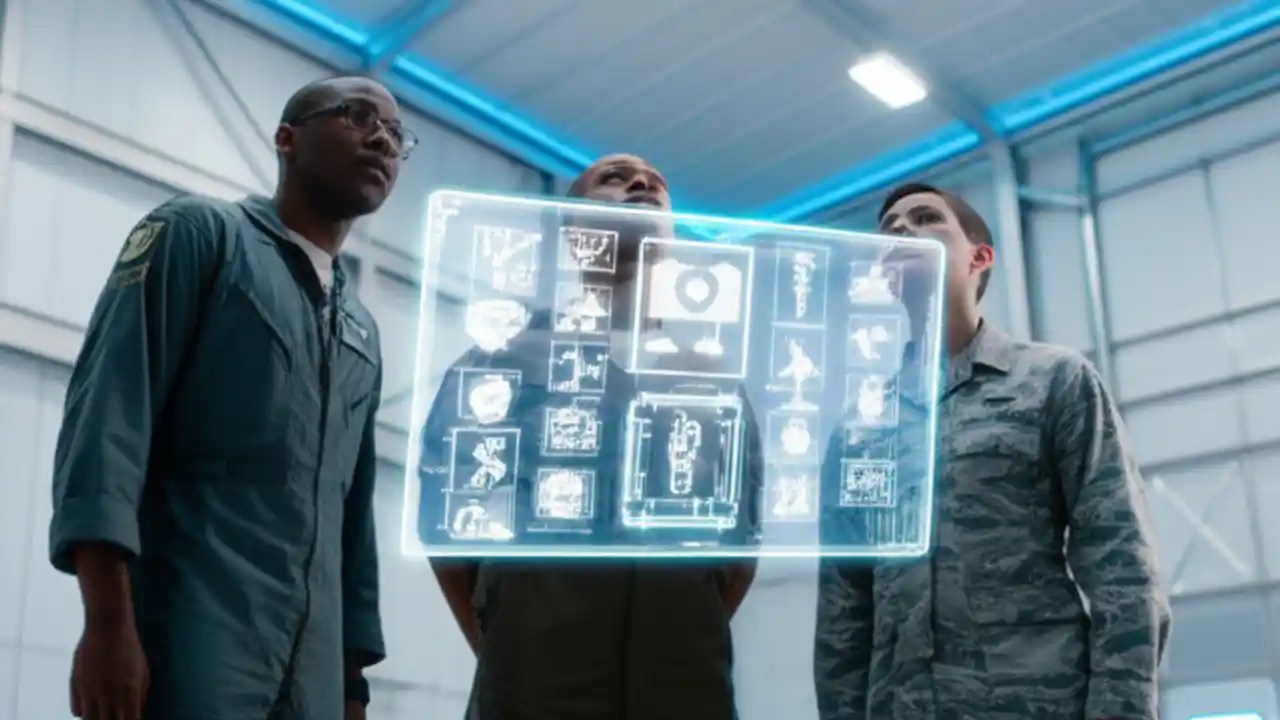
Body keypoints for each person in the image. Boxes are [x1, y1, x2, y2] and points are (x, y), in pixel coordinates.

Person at [48, 75, 414, 720]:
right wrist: (106, 625)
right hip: (190, 637)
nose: (382, 137)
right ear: (286, 138)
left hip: (313, 674)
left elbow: (351, 518)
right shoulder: (200, 236)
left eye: (395, 133)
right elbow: (109, 418)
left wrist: (351, 684)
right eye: (358, 116)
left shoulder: (360, 327)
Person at [420, 154, 763, 720]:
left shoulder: (713, 379)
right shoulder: (504, 359)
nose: (643, 183)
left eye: (658, 183)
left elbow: (741, 550)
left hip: (684, 693)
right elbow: (446, 532)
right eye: (613, 178)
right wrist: (511, 647)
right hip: (533, 691)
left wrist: (670, 642)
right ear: (575, 233)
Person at [813, 182, 1172, 720]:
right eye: (889, 231)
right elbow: (844, 613)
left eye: (925, 219)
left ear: (980, 257)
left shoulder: (1054, 381)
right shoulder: (860, 429)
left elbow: (1123, 568)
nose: (902, 232)